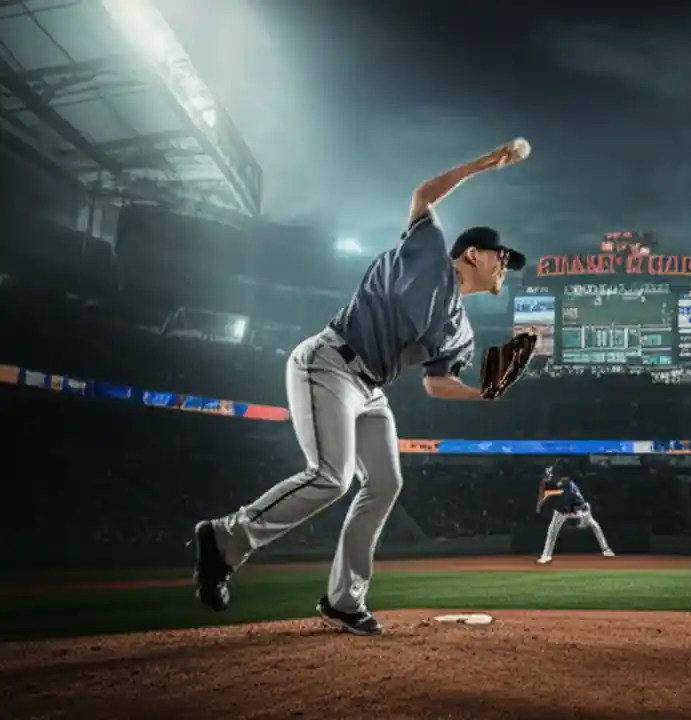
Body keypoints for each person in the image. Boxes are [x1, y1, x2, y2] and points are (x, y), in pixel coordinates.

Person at [192, 139, 531, 636]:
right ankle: (224, 537)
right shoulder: (429, 254)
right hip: (328, 361)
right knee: (333, 476)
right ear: (472, 254)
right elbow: (424, 195)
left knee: (386, 482)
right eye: (501, 256)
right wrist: (482, 164)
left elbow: (438, 385)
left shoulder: (462, 331)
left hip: (371, 389)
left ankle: (344, 601)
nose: (506, 265)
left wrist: (484, 393)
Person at [535, 460, 614, 563]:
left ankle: (546, 555)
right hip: (578, 508)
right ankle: (606, 549)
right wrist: (544, 499)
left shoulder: (565, 484)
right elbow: (548, 487)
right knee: (594, 525)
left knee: (554, 530)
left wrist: (544, 500)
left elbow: (564, 497)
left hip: (575, 509)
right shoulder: (564, 482)